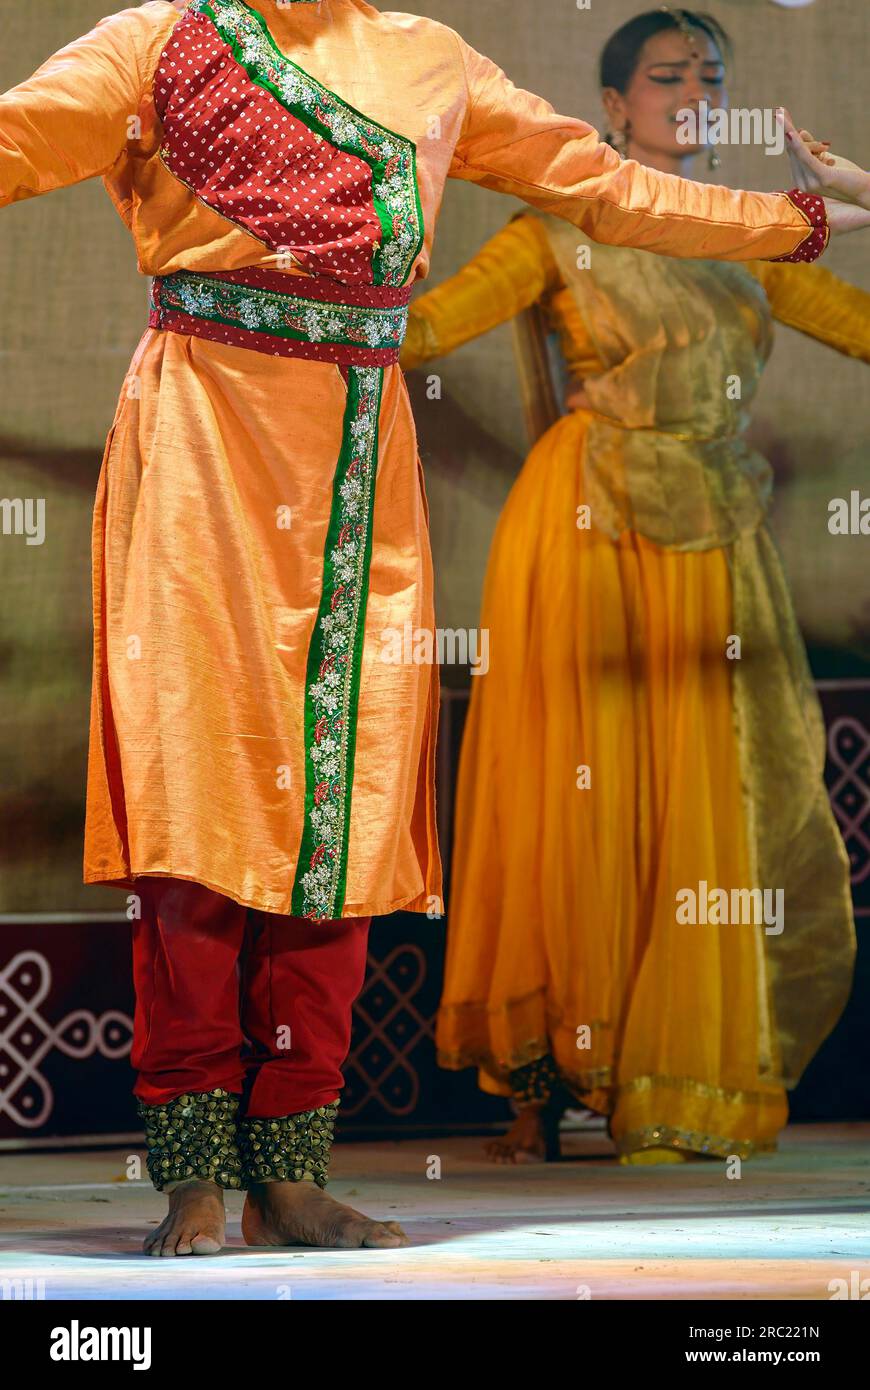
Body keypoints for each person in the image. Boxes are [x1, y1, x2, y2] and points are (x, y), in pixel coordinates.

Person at [0, 0, 865, 1255]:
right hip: (204, 442)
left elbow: (605, 188)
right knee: (202, 812)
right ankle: (192, 1168)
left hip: (360, 454)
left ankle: (290, 1165)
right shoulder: (161, 41)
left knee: (339, 813)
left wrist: (800, 219)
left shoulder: (426, 57)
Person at [402, 8, 869, 1165]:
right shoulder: (559, 228)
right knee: (584, 802)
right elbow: (422, 329)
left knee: (701, 804)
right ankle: (549, 1075)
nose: (692, 94)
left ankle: (676, 1081)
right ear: (612, 106)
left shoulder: (750, 237)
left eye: (709, 77)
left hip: (711, 536)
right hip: (586, 533)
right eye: (668, 78)